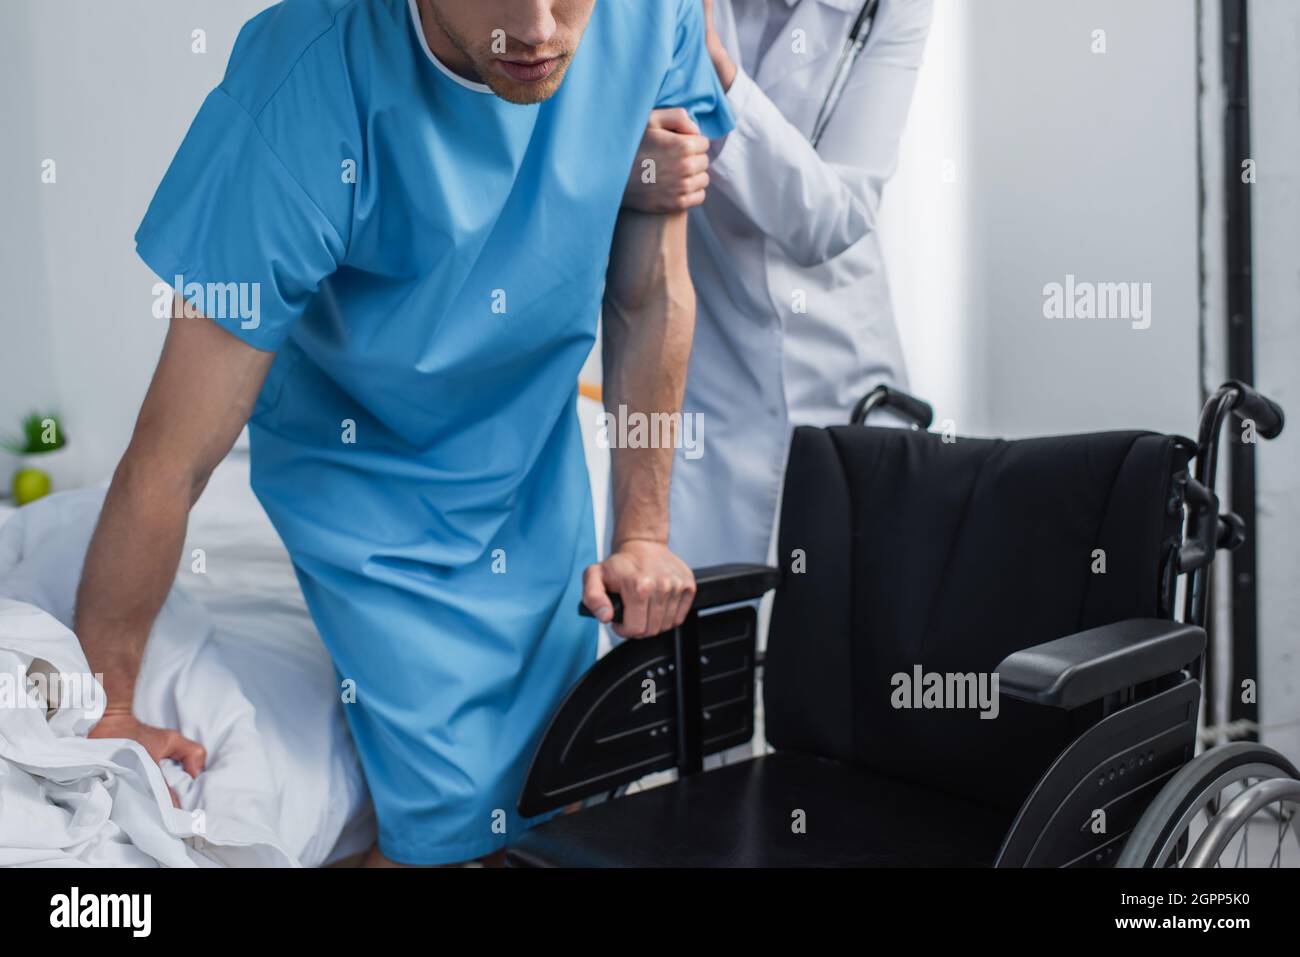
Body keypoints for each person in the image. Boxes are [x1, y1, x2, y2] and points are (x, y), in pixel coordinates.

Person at [74, 0, 732, 867]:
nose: (536, 30)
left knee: (564, 786)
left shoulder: (653, 16)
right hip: (365, 476)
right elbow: (172, 456)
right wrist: (109, 699)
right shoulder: (303, 90)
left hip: (531, 457)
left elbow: (651, 289)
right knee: (454, 833)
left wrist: (642, 533)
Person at [624, 0, 934, 570]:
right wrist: (635, 175)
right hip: (703, 379)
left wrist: (717, 68)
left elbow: (833, 219)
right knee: (691, 634)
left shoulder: (893, 8)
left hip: (841, 376)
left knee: (854, 628)